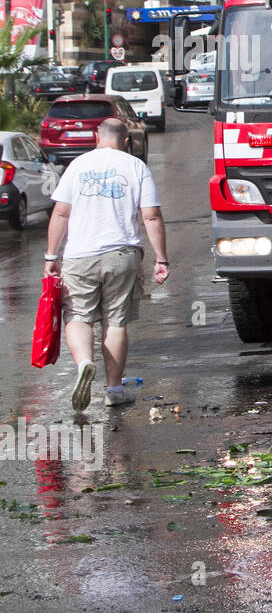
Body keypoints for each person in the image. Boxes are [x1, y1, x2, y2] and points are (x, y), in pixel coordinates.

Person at [43, 119, 169, 410]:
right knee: (115, 321)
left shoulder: (77, 165)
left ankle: (85, 363)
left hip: (79, 255)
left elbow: (61, 213)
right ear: (126, 141)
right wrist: (161, 258)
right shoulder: (137, 167)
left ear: (96, 137)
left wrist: (51, 256)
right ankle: (113, 389)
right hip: (122, 254)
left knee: (78, 316)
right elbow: (151, 216)